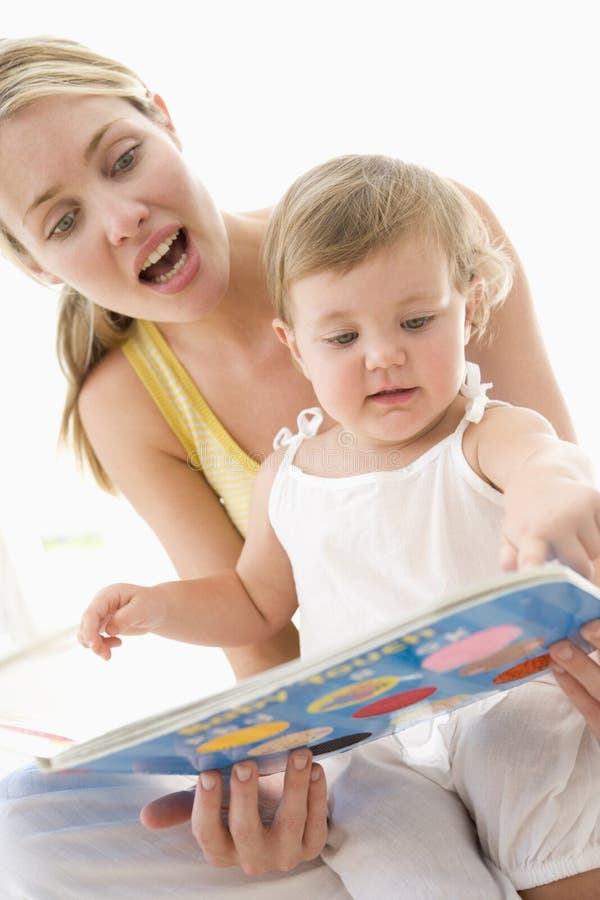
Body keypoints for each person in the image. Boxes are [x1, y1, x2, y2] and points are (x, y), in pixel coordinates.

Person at [0, 35, 598, 899]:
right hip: (372, 751)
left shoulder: (415, 230)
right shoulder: (148, 409)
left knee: (531, 768)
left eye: (123, 158)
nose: (122, 217)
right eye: (62, 221)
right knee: (24, 826)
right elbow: (258, 628)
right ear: (33, 264)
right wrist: (265, 785)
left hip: (523, 690)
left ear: (165, 120)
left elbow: (554, 492)